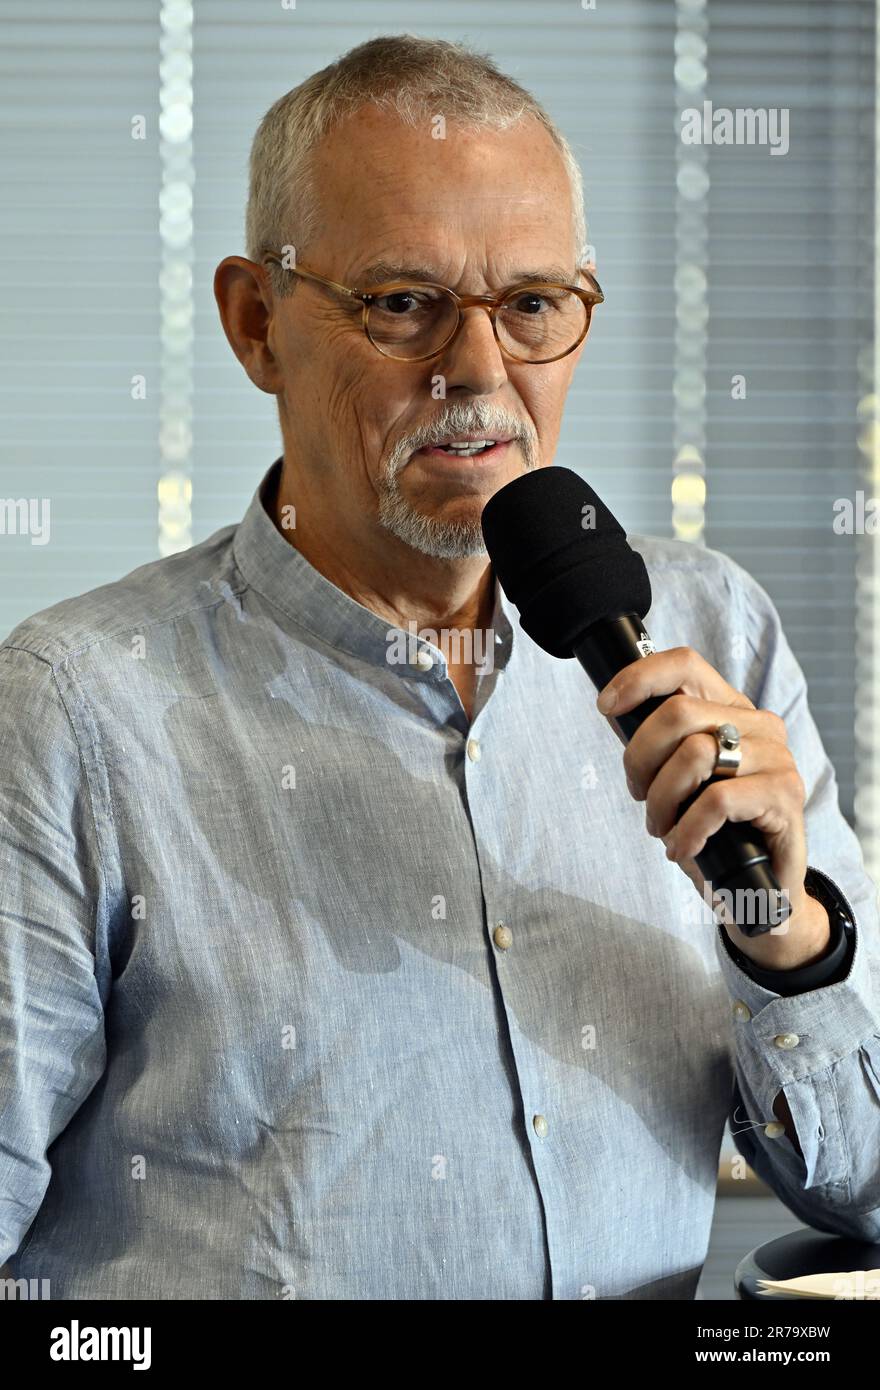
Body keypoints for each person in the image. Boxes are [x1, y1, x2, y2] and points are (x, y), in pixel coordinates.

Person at [1, 34, 878, 1301]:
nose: (478, 373)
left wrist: (782, 935)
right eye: (403, 303)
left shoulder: (710, 631)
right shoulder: (75, 712)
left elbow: (860, 1183)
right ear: (257, 324)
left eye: (530, 305)